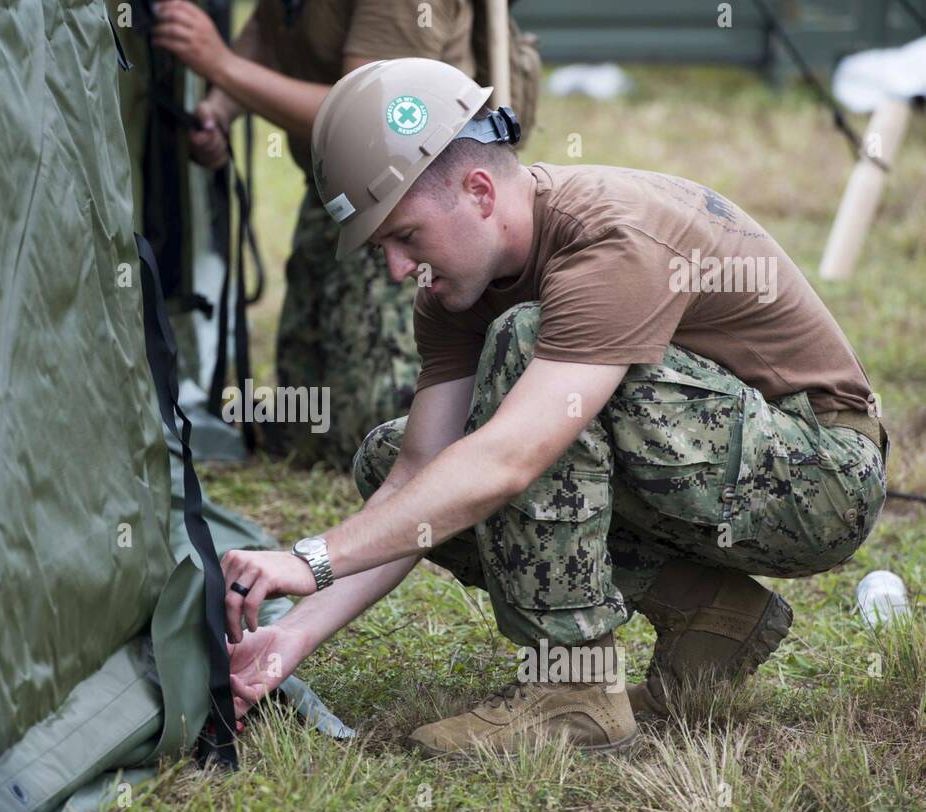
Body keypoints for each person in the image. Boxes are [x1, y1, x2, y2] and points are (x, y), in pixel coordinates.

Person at [217, 58, 888, 754]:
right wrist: (288, 635)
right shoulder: (455, 289)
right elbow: (414, 474)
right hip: (707, 458)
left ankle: (575, 691)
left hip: (822, 476)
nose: (397, 268)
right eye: (384, 246)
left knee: (521, 351)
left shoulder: (608, 237)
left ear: (479, 191)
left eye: (405, 235)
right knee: (396, 453)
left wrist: (312, 557)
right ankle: (710, 613)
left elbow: (512, 457)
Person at [151, 0, 539, 469]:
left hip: (410, 202)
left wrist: (222, 66)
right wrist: (219, 108)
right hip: (342, 198)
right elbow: (268, 31)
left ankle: (497, 432)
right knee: (305, 427)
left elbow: (371, 119)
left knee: (371, 429)